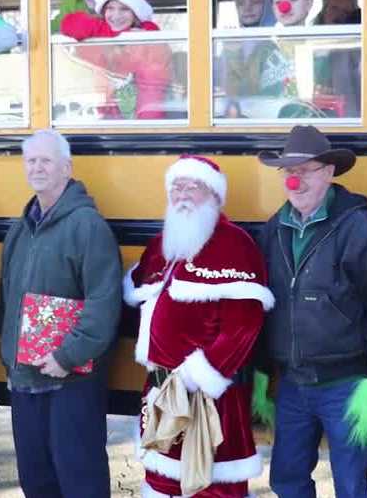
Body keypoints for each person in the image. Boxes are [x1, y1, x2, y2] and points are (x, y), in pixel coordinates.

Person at [258, 125, 367, 498]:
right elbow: (265, 304)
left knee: (351, 486)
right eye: (289, 172)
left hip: (348, 386)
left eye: (305, 170)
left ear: (329, 171)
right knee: (287, 481)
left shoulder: (363, 229)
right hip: (293, 384)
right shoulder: (274, 230)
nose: (295, 181)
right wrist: (262, 370)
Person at [123, 155, 273, 497]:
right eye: (177, 186)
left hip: (209, 397)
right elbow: (138, 290)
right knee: (161, 481)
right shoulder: (162, 245)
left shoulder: (235, 244)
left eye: (194, 186)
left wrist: (195, 377)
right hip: (160, 390)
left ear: (216, 196)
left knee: (210, 485)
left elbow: (243, 327)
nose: (183, 194)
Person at [0, 130, 122, 498]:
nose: (37, 167)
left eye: (46, 160)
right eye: (31, 160)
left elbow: (104, 300)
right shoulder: (20, 230)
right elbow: (9, 301)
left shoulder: (88, 226)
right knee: (36, 482)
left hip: (71, 382)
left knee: (80, 481)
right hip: (25, 379)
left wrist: (67, 355)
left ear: (66, 168)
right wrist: (9, 359)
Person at [60, 0, 172, 119]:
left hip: (145, 122)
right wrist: (113, 33)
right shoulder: (103, 29)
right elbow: (68, 24)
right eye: (110, 8)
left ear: (136, 13)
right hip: (108, 118)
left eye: (124, 9)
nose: (116, 15)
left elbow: (153, 91)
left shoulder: (148, 33)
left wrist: (146, 130)